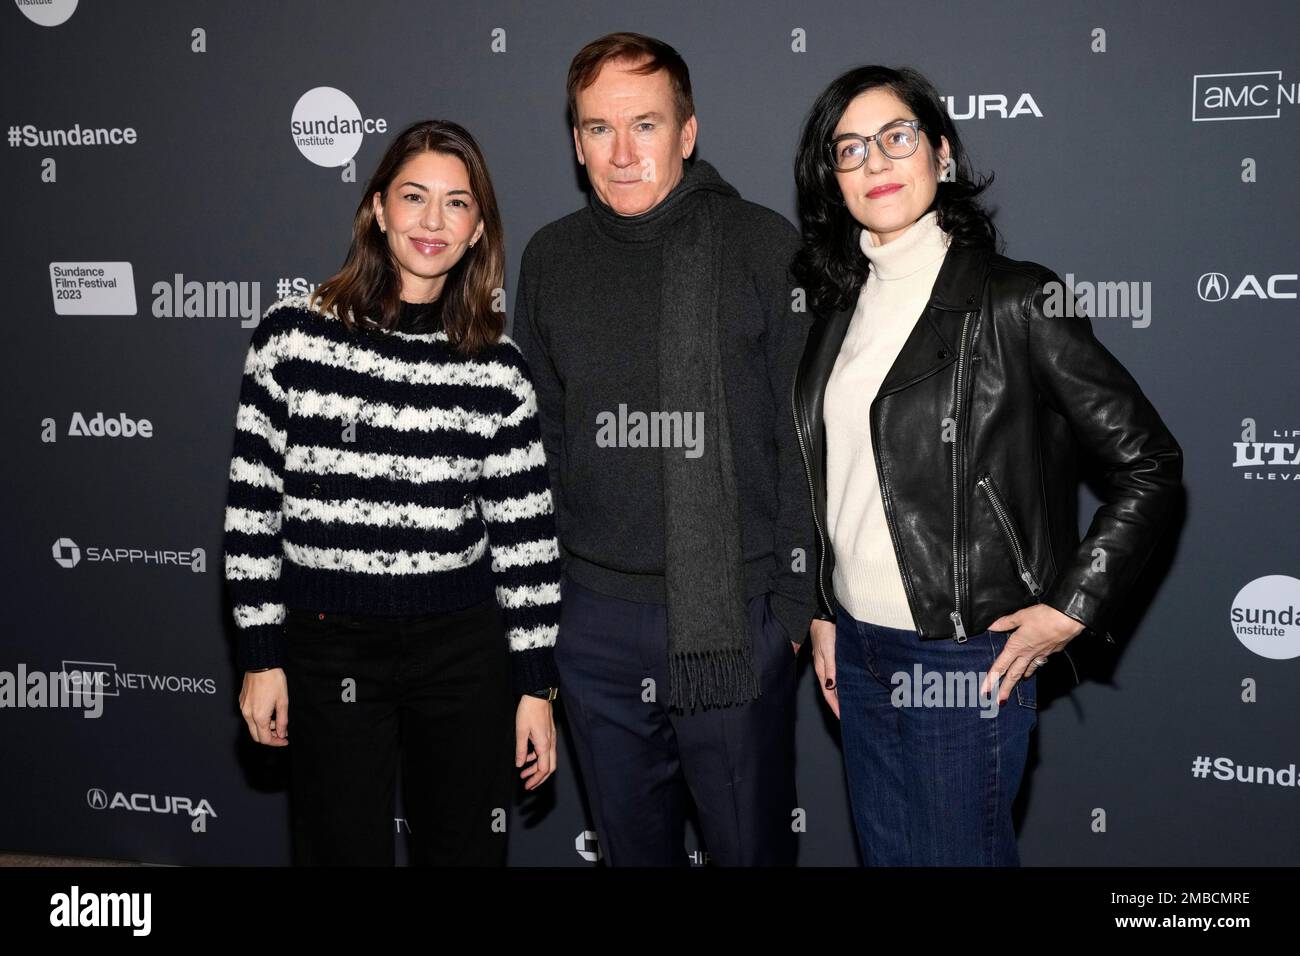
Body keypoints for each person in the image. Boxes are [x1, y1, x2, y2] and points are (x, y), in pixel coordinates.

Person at [791, 66, 1183, 866]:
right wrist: (826, 609)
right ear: (833, 181)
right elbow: (843, 483)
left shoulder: (1017, 300)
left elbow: (1149, 463)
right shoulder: (837, 310)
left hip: (965, 656)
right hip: (861, 655)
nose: (876, 162)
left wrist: (1071, 606)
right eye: (851, 149)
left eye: (897, 137)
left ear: (941, 153)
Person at [511, 32, 816, 866]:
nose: (620, 152)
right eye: (597, 128)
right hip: (594, 623)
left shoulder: (760, 246)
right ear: (575, 141)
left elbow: (805, 438)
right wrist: (548, 624)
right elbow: (537, 446)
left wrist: (790, 613)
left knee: (748, 850)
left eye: (643, 124)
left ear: (686, 132)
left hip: (732, 615)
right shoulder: (550, 257)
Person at [224, 119, 563, 866]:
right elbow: (253, 516)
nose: (433, 222)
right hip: (328, 645)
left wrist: (536, 686)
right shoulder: (292, 340)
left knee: (465, 852)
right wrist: (260, 655)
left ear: (479, 229)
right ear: (378, 209)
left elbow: (525, 540)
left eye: (457, 204)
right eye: (414, 198)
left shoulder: (497, 369)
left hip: (463, 651)